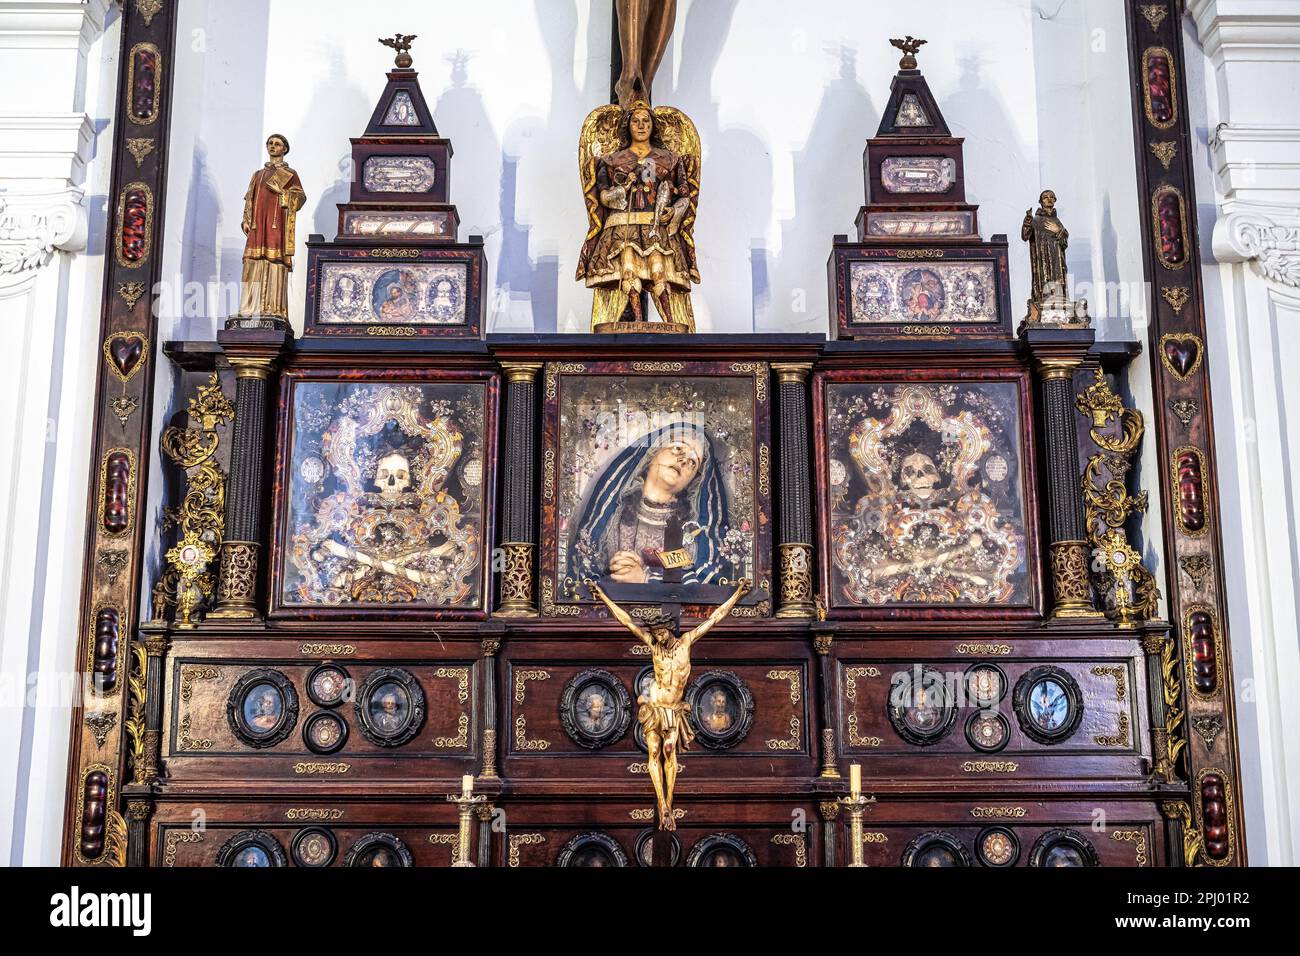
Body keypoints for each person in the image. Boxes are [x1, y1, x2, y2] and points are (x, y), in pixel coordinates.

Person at [589, 578, 750, 830]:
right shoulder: (654, 646)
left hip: (673, 711)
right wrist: (602, 597)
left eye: (661, 633)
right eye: (655, 634)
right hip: (654, 708)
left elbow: (715, 618)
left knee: (668, 751)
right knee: (653, 752)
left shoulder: (686, 642)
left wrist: (738, 595)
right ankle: (662, 803)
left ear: (669, 629)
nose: (658, 637)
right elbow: (627, 621)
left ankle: (669, 804)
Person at [568, 422, 732, 590]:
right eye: (677, 448)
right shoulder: (613, 512)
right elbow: (585, 570)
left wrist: (646, 578)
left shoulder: (692, 528)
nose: (683, 461)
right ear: (652, 453)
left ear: (694, 480)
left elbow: (704, 585)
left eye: (692, 462)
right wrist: (615, 569)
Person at [236, 134, 306, 321]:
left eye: (277, 144)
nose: (272, 146)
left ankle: (273, 308)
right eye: (270, 143)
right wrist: (246, 219)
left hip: (276, 226)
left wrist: (283, 192)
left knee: (274, 260)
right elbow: (249, 198)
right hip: (257, 225)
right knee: (253, 259)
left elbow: (299, 198)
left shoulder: (290, 174)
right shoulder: (258, 175)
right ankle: (249, 308)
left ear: (285, 149)